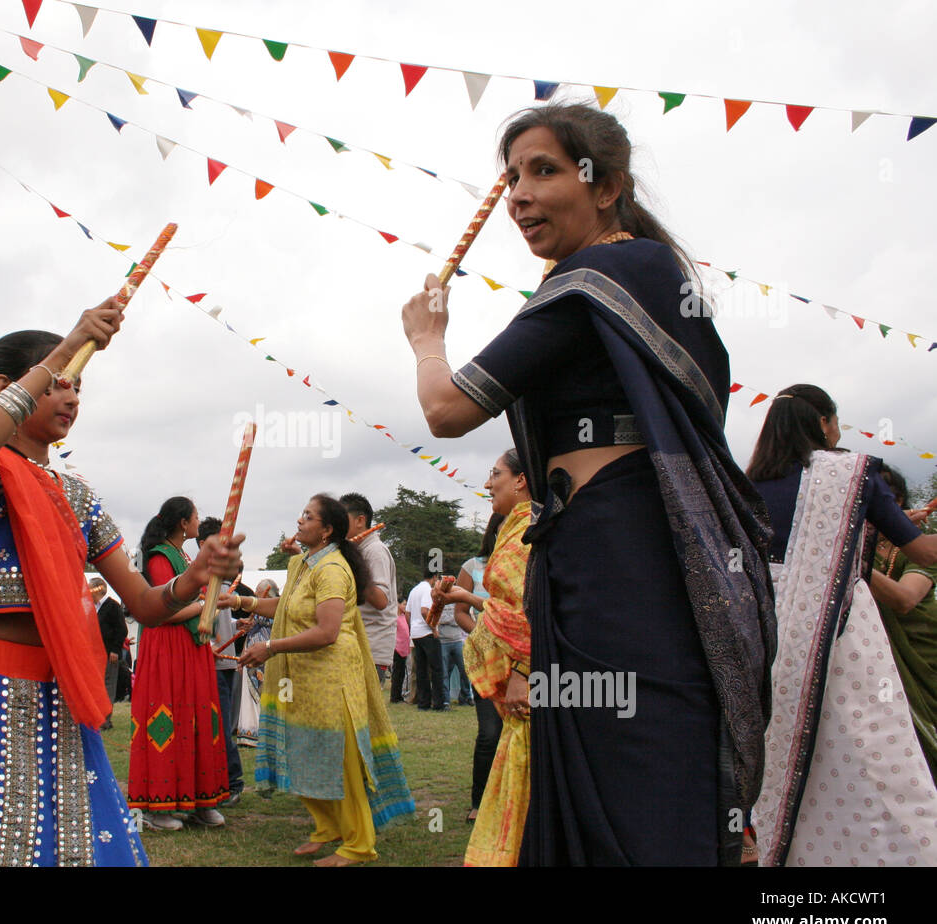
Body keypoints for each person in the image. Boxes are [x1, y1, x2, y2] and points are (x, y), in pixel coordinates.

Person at [401, 102, 776, 865]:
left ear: (605, 187)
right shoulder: (611, 282)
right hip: (582, 550)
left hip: (620, 550)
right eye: (511, 177)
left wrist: (427, 339)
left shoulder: (607, 274)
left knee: (636, 762)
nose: (519, 195)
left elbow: (445, 411)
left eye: (543, 170)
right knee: (589, 757)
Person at [0, 319, 243, 866]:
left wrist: (196, 576)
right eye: (59, 382)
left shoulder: (77, 493)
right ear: (7, 389)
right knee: (4, 846)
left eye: (77, 386)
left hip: (62, 685)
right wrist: (69, 345)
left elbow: (142, 603)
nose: (71, 397)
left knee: (79, 844)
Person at [748, 385, 937, 866]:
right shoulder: (850, 476)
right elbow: (924, 554)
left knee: (787, 756)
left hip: (767, 641)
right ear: (824, 424)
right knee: (869, 745)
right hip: (845, 637)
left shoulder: (744, 489)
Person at [234, 494, 415, 865]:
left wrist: (270, 646)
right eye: (301, 514)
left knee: (343, 761)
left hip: (334, 680)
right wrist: (242, 603)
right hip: (305, 681)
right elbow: (287, 607)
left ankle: (359, 845)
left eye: (308, 517)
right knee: (304, 751)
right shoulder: (304, 563)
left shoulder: (332, 568)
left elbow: (328, 631)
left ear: (327, 530)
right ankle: (328, 826)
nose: (300, 521)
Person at [448, 451, 532, 865]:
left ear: (520, 480)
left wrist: (520, 671)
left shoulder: (531, 529)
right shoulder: (514, 529)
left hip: (530, 682)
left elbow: (527, 611)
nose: (487, 483)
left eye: (495, 474)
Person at [128, 498, 230, 830]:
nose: (200, 520)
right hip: (167, 647)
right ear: (184, 523)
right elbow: (164, 609)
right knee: (167, 720)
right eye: (196, 516)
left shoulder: (185, 556)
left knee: (198, 719)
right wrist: (205, 606)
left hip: (192, 648)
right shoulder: (160, 557)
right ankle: (159, 808)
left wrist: (206, 604)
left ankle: (202, 800)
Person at [869, 465, 937, 782]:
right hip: (869, 670)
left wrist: (852, 561)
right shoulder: (857, 547)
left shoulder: (919, 552)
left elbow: (906, 599)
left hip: (923, 663)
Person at [455, 510, 505, 820]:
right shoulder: (473, 568)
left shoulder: (533, 561)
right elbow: (460, 611)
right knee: (490, 732)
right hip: (486, 663)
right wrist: (486, 639)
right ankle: (480, 801)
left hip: (525, 661)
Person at [198, 518, 246, 804]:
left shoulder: (222, 575)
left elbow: (220, 616)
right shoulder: (197, 577)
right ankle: (229, 782)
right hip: (212, 662)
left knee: (226, 725)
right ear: (205, 545)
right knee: (217, 727)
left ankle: (231, 783)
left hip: (228, 662)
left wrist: (238, 623)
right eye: (219, 541)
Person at [340, 493, 398, 684]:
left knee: (362, 712)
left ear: (360, 520)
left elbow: (381, 600)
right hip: (356, 644)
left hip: (372, 646)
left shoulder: (375, 551)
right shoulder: (358, 549)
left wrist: (354, 564)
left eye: (342, 519)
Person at [236, 579, 277, 746]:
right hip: (252, 652)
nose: (256, 596)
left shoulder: (275, 608)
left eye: (258, 594)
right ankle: (248, 732)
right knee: (249, 693)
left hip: (265, 654)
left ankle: (259, 732)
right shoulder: (259, 609)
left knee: (262, 693)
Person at [406, 566, 446, 711]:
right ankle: (439, 704)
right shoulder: (427, 591)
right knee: (436, 669)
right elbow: (424, 611)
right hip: (427, 633)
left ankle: (423, 703)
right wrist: (433, 627)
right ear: (434, 577)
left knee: (421, 670)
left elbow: (407, 613)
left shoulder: (414, 590)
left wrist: (412, 628)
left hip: (416, 634)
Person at [91, 577, 127, 731]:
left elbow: (121, 629)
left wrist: (115, 649)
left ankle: (105, 720)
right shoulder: (95, 607)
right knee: (97, 684)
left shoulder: (112, 606)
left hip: (109, 653)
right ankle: (96, 716)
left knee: (108, 685)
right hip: (96, 653)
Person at [390, 600, 410, 705]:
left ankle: (399, 695)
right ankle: (394, 697)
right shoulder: (394, 618)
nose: (405, 606)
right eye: (403, 604)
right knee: (397, 673)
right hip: (397, 648)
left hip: (404, 648)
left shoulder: (404, 617)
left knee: (402, 673)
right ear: (398, 604)